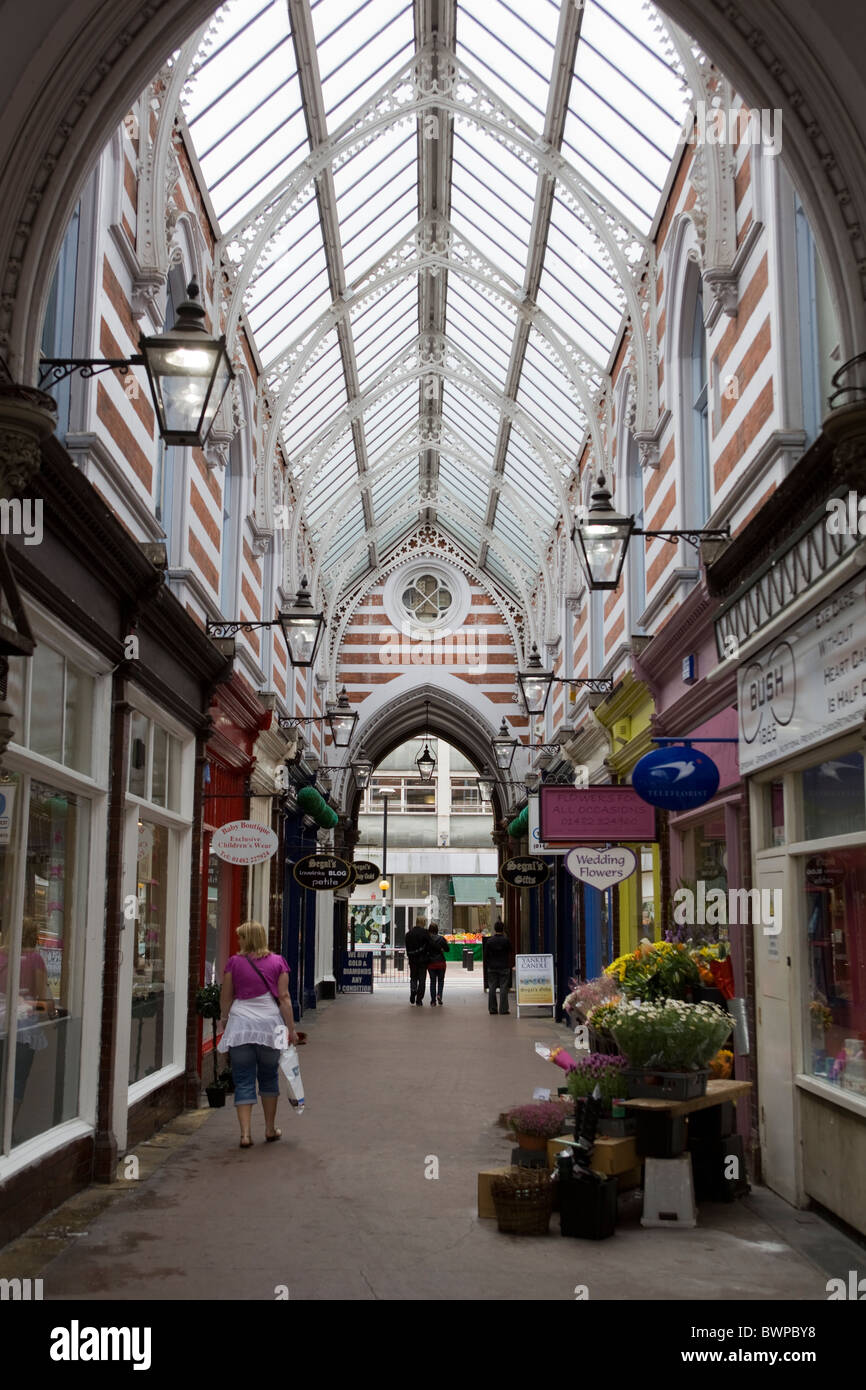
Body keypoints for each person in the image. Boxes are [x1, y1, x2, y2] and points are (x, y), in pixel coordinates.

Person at [218, 921, 297, 1147]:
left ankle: (245, 1134)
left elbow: (226, 996)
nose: (239, 941)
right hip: (270, 1027)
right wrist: (291, 1030)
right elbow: (284, 998)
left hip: (241, 1026)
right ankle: (270, 1129)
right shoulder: (278, 962)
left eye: (241, 937)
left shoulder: (234, 963)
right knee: (269, 1077)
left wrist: (225, 1020)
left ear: (248, 939)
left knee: (243, 1079)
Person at [483, 918, 512, 1014]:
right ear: (503, 929)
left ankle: (492, 1009)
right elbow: (510, 951)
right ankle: (503, 1009)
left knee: (492, 988)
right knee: (503, 988)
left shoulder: (490, 941)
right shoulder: (506, 940)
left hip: (492, 967)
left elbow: (486, 955)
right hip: (504, 966)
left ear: (495, 929)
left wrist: (488, 964)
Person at [405, 915, 429, 1006]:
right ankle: (419, 999)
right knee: (422, 980)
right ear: (423, 922)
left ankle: (413, 991)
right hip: (423, 960)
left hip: (412, 960)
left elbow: (407, 947)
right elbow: (429, 945)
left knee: (413, 977)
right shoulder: (425, 933)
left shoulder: (409, 934)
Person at [425, 922, 450, 1006]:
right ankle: (439, 995)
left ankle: (433, 1001)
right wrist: (442, 948)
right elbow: (447, 949)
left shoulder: (427, 940)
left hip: (431, 963)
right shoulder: (441, 939)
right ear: (437, 930)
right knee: (440, 981)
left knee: (432, 982)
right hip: (441, 962)